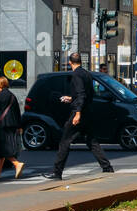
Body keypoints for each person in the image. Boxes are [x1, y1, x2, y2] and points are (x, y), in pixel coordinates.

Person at [45, 52, 114, 180]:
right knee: (92, 141)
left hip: (79, 113)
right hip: (87, 112)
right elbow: (88, 94)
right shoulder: (86, 74)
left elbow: (81, 94)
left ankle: (57, 172)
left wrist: (77, 112)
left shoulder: (76, 75)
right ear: (81, 62)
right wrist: (72, 98)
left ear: (70, 62)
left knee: (65, 141)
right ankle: (107, 167)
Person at [0, 76, 26, 180]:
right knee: (5, 147)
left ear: (0, 85)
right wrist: (20, 126)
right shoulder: (12, 96)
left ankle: (16, 164)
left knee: (2, 148)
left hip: (2, 125)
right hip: (13, 125)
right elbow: (17, 112)